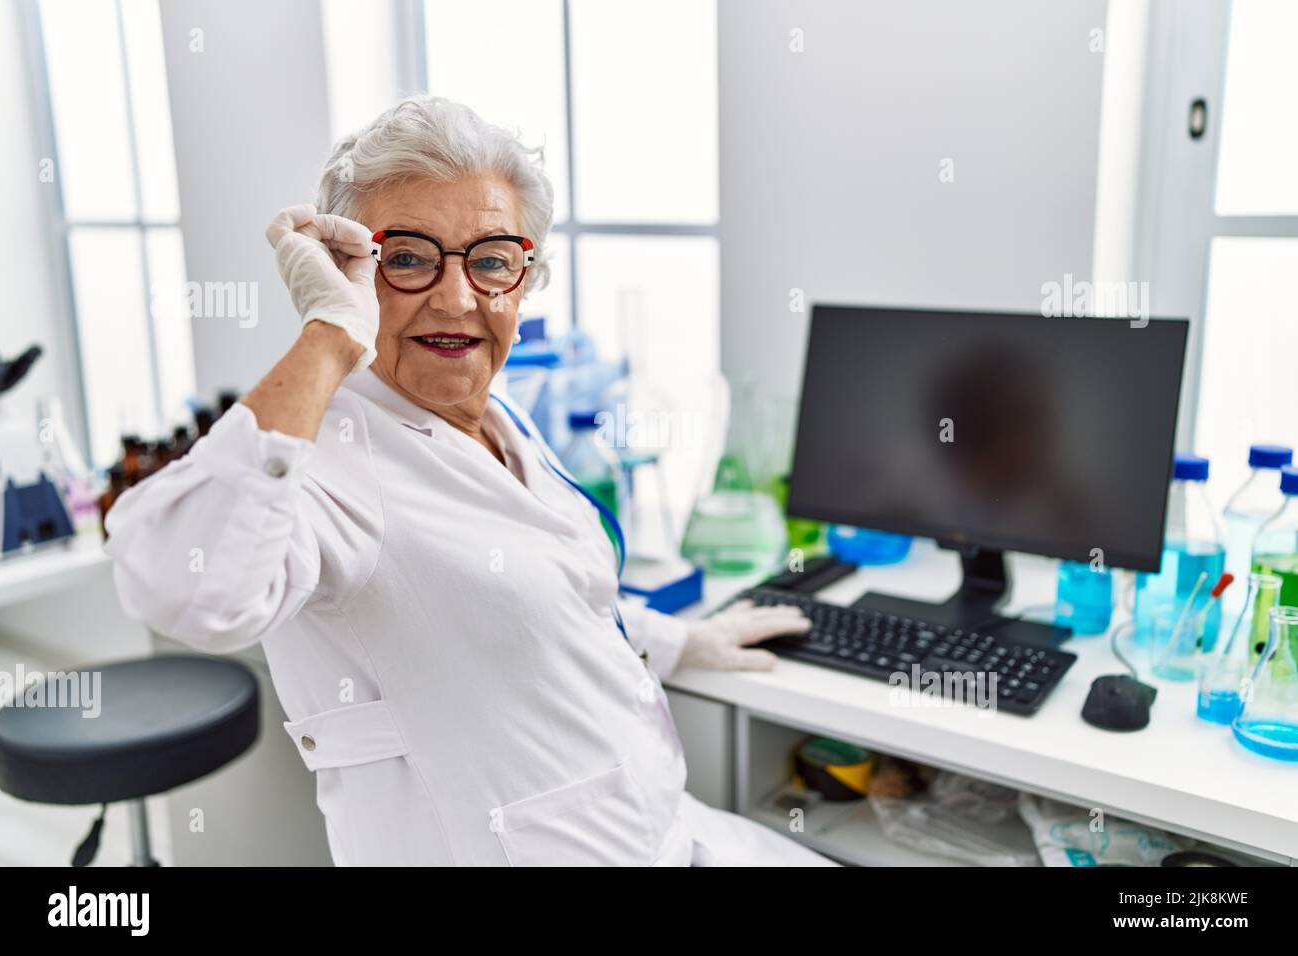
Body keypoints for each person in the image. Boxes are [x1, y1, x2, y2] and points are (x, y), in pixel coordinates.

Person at [106, 95, 833, 866]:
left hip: (665, 833)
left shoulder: (500, 417)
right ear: (350, 271)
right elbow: (182, 589)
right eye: (408, 257)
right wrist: (328, 336)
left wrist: (686, 639)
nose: (456, 298)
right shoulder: (326, 465)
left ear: (524, 278)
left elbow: (555, 599)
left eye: (490, 260)